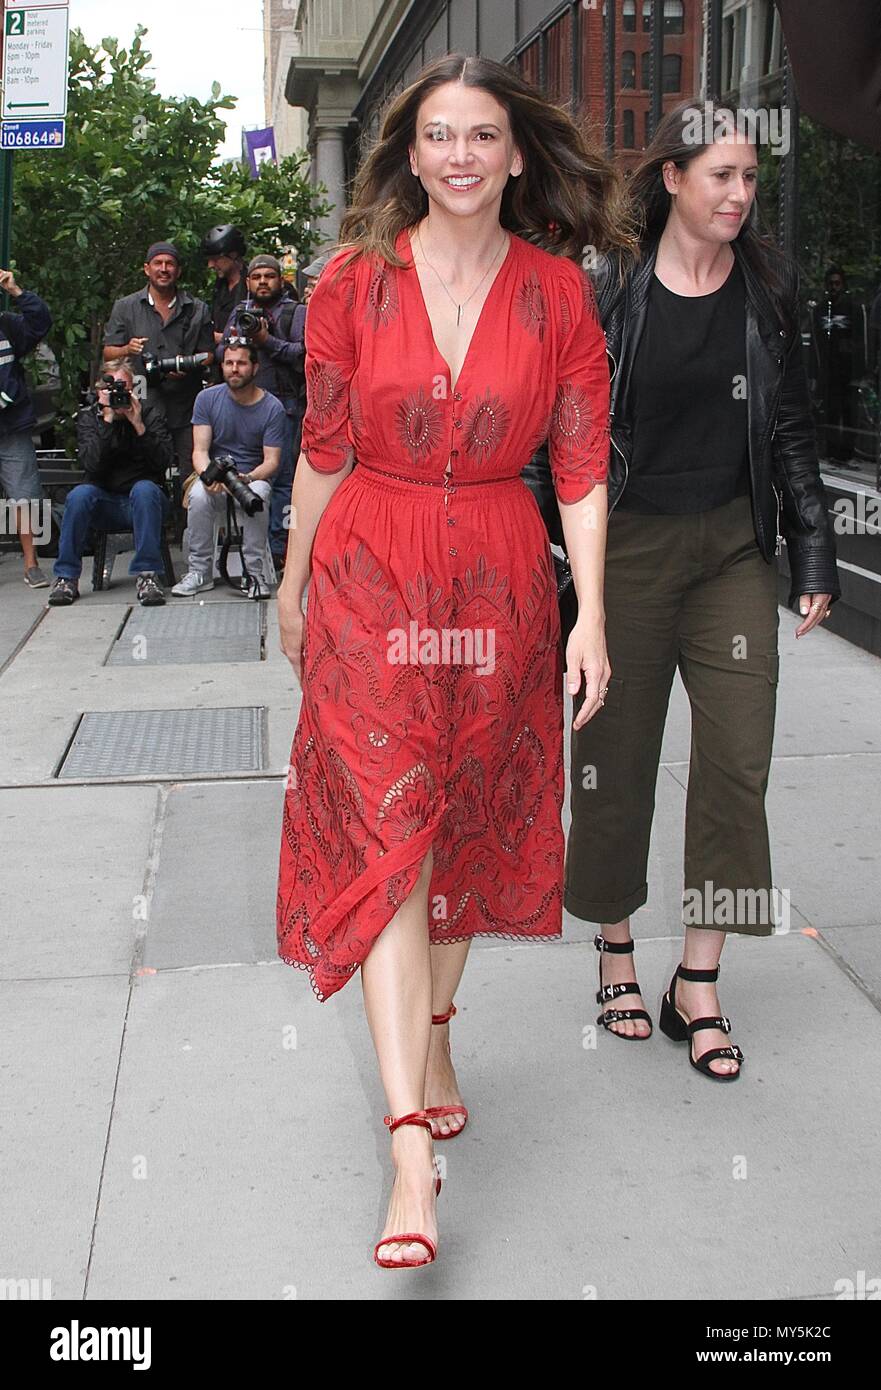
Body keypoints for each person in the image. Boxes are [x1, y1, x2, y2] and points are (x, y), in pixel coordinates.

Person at [275, 53, 632, 1269]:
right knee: (392, 832)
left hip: (495, 577)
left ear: (515, 154)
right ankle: (407, 1152)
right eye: (440, 135)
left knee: (467, 824)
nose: (463, 154)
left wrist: (590, 615)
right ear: (411, 155)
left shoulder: (557, 298)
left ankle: (433, 1028)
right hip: (369, 570)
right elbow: (322, 445)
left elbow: (579, 464)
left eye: (484, 134)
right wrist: (289, 581)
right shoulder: (348, 284)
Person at [560, 101, 839, 1080]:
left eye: (750, 178)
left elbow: (791, 428)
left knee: (734, 761)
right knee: (613, 757)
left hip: (729, 549)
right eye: (719, 174)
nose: (737, 194)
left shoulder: (763, 290)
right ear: (672, 179)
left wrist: (811, 553)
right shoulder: (610, 283)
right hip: (626, 548)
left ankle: (698, 979)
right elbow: (565, 431)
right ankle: (612, 944)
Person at [47, 364, 174, 607]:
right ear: (99, 393)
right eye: (111, 388)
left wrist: (138, 426)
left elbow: (164, 461)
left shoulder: (149, 415)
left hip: (146, 504)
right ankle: (66, 577)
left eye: (123, 388)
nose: (118, 394)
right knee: (79, 495)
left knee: (145, 489)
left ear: (134, 389)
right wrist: (107, 422)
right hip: (105, 504)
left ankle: (148, 576)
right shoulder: (90, 418)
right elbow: (91, 465)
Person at [172, 341, 285, 600]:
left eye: (242, 363)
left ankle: (253, 573)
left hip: (251, 476)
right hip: (216, 475)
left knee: (258, 495)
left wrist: (247, 478)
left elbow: (272, 461)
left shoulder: (272, 407)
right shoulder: (207, 398)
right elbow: (199, 451)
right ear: (222, 366)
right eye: (229, 363)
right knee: (199, 495)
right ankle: (199, 573)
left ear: (255, 367)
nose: (235, 369)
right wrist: (207, 475)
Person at [218, 254, 306, 572]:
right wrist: (242, 340)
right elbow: (222, 352)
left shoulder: (295, 312)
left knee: (283, 480)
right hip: (245, 409)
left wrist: (267, 341)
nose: (263, 282)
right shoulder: (241, 313)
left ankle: (279, 548)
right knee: (249, 476)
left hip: (285, 408)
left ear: (281, 280)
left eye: (270, 276)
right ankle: (250, 546)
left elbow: (302, 355)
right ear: (248, 282)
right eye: (257, 277)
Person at [103, 241, 214, 483]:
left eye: (170, 264)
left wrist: (185, 365)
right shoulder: (126, 307)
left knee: (190, 476)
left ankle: (186, 521)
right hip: (143, 406)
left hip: (186, 407)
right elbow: (108, 353)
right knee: (145, 474)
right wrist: (127, 349)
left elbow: (209, 355)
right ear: (147, 269)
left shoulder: (197, 309)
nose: (164, 269)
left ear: (178, 271)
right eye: (158, 263)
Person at [0, 267, 52, 587]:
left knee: (24, 497)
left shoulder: (6, 324)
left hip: (12, 425)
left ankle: (31, 565)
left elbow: (40, 323)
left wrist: (16, 291)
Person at [811, 266, 862, 466]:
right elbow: (815, 341)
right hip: (828, 370)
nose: (833, 288)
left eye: (837, 283)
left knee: (849, 412)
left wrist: (860, 370)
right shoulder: (820, 310)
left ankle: (847, 452)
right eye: (830, 284)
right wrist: (815, 372)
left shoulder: (853, 309)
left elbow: (860, 340)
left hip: (847, 370)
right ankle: (832, 450)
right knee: (831, 411)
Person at [201, 224, 249, 342]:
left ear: (233, 255)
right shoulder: (219, 287)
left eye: (216, 259)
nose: (211, 265)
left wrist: (223, 338)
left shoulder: (253, 287)